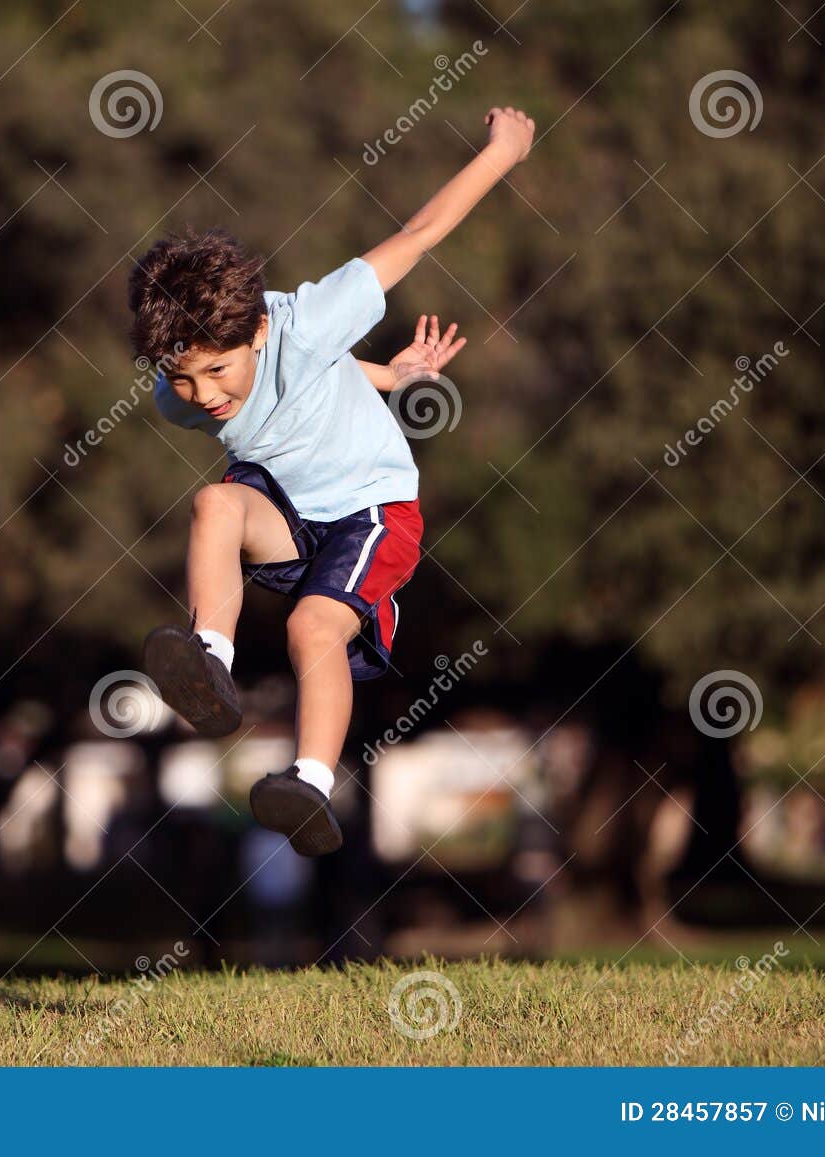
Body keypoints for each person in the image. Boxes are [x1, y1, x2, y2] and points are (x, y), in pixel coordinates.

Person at [127, 107, 536, 856]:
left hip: (371, 511)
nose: (206, 395)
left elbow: (418, 233)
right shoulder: (178, 392)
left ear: (256, 330)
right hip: (286, 508)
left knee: (310, 627)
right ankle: (209, 663)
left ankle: (309, 783)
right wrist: (392, 374)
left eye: (217, 371)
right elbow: (313, 384)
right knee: (215, 500)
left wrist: (501, 154)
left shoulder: (309, 318)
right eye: (182, 379)